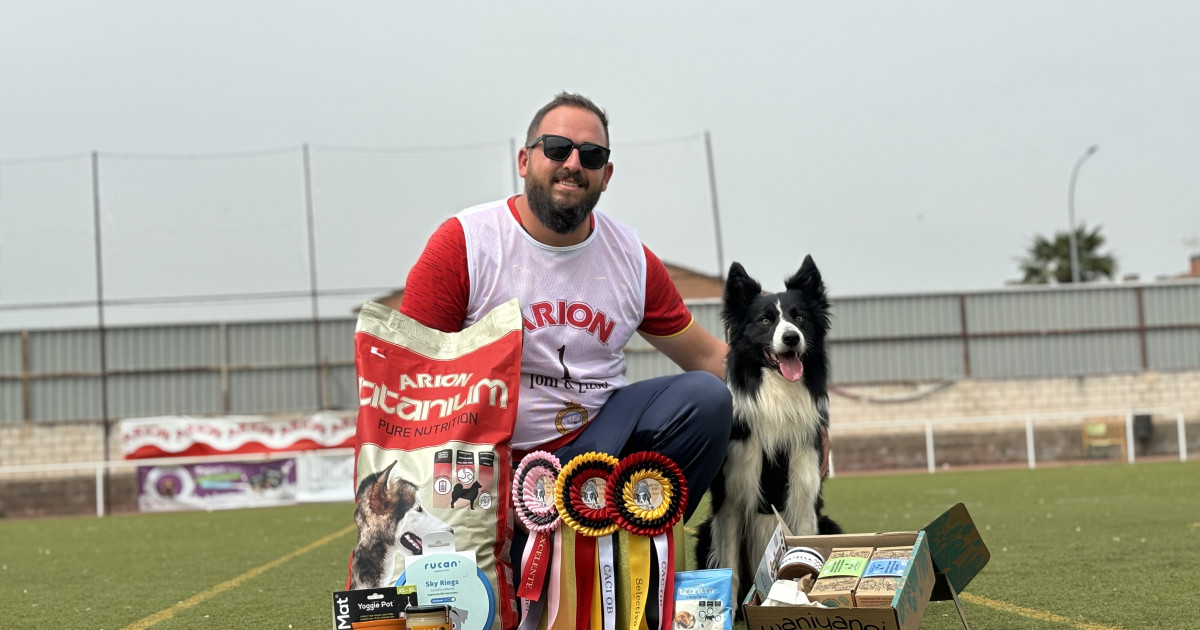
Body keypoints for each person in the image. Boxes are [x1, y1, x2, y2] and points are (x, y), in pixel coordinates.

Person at [398, 92, 732, 521]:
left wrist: (809, 412)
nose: (573, 163)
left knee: (706, 398)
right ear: (524, 160)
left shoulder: (630, 258)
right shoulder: (465, 242)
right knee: (492, 581)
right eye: (557, 148)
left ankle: (631, 556)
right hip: (489, 461)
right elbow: (409, 377)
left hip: (599, 446)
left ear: (606, 175)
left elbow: (708, 357)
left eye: (591, 155)